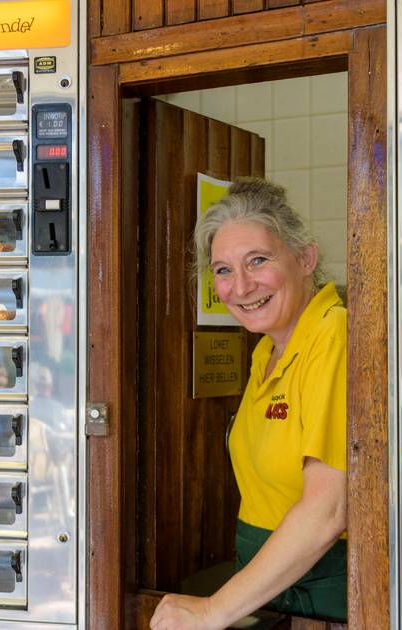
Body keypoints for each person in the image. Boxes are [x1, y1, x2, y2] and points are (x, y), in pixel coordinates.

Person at [150, 178, 348, 629]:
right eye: (223, 270)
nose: (241, 286)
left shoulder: (333, 334)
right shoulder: (266, 352)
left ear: (306, 259)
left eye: (258, 260)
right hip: (273, 597)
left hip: (330, 604)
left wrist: (212, 611)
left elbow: (328, 510)